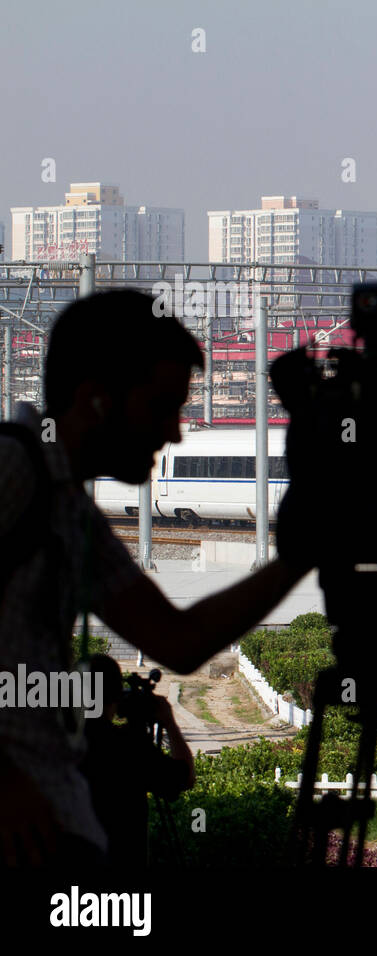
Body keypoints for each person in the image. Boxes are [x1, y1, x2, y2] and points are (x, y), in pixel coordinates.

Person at [0, 290, 311, 866]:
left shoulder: (69, 509)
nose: (174, 434)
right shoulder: (13, 471)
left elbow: (177, 640)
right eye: (161, 406)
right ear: (96, 399)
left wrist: (301, 555)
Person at [79, 655, 194, 867]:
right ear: (115, 696)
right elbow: (184, 778)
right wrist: (169, 724)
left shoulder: (53, 747)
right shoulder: (128, 747)